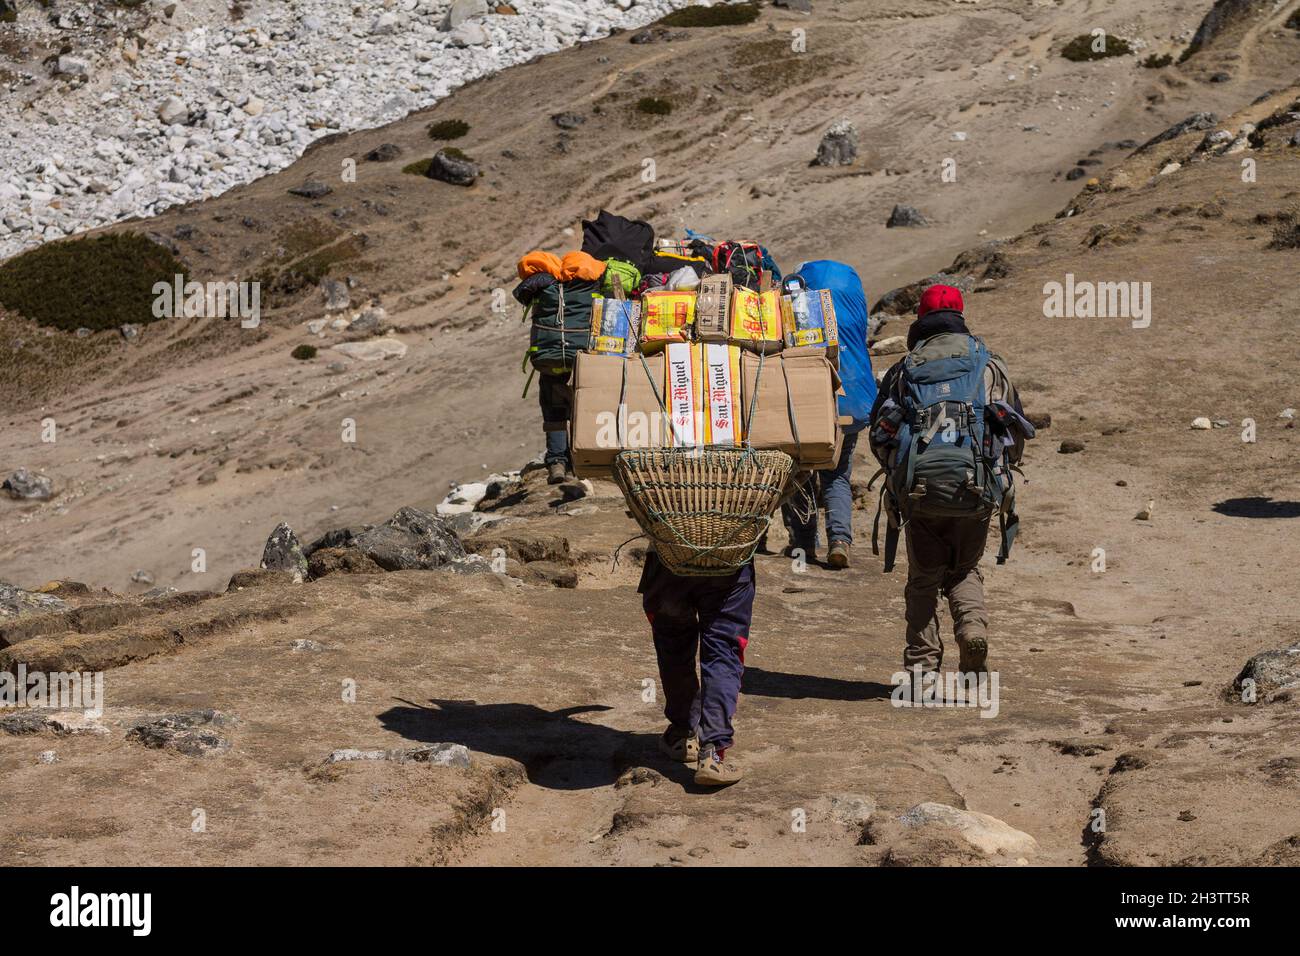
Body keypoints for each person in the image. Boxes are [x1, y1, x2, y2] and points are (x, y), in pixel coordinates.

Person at [867, 284, 1030, 685]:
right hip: (975, 489)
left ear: (920, 319)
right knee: (964, 569)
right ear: (961, 316)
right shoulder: (989, 365)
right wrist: (1001, 471)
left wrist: (897, 475)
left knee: (924, 579)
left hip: (920, 495)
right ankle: (972, 631)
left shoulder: (905, 370)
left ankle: (921, 672)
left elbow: (880, 433)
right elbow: (1014, 430)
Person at [781, 261, 877, 567]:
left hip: (809, 401)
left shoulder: (799, 307)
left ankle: (804, 544)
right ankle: (840, 540)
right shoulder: (853, 303)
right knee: (838, 474)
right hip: (852, 399)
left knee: (799, 473)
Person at [639, 551, 754, 786]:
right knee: (722, 650)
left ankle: (683, 733)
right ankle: (712, 754)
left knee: (673, 644)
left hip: (668, 562)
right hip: (730, 563)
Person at [538, 371, 572, 484]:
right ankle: (578, 462)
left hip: (552, 372)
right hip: (584, 370)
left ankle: (557, 464)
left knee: (554, 414)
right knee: (581, 414)